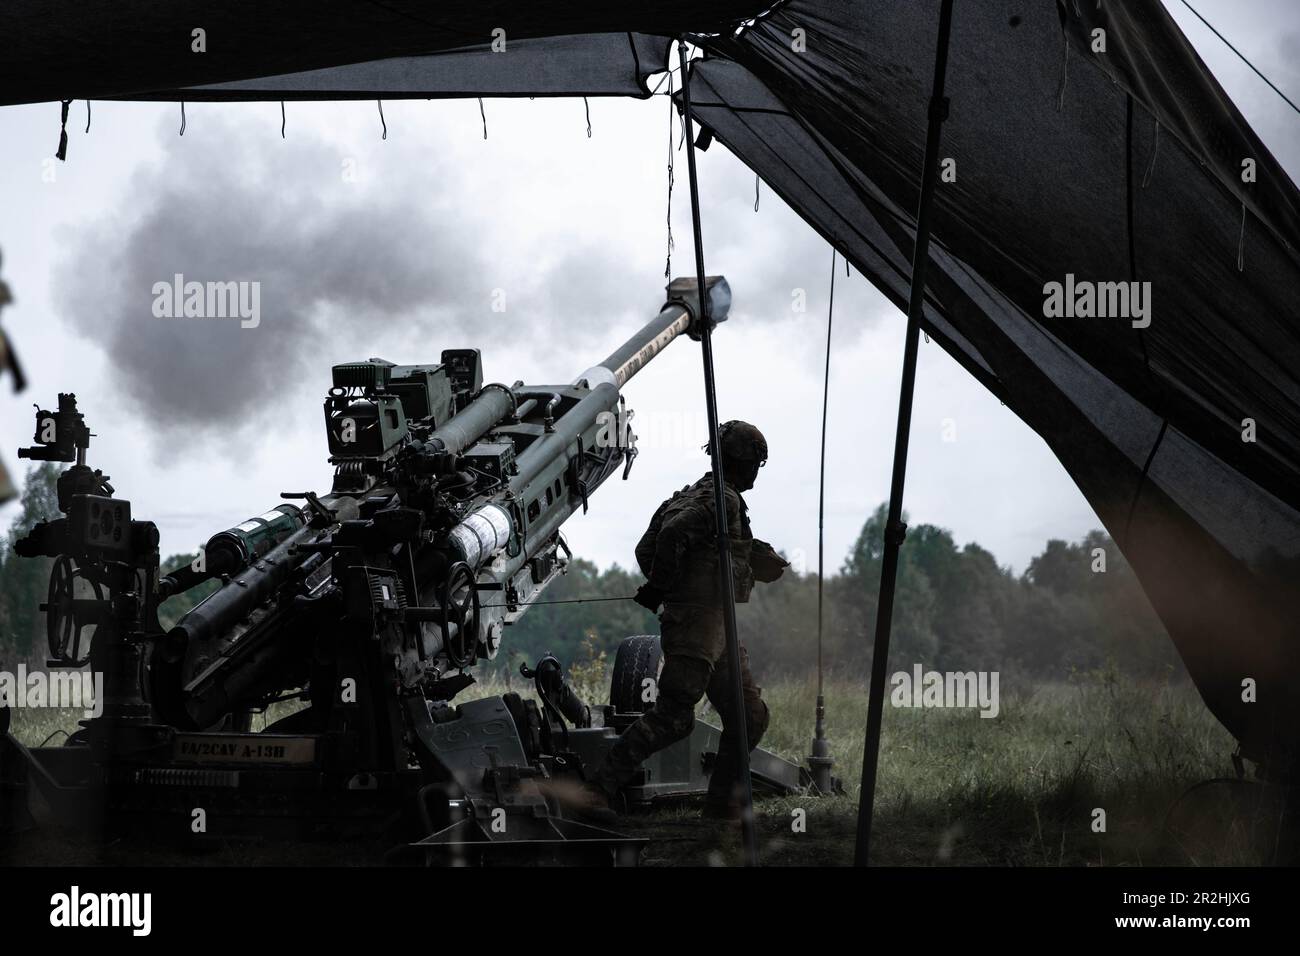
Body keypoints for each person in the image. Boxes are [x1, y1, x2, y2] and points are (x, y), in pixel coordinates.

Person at [577, 420, 789, 822]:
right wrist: (665, 588)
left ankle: (721, 806)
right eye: (756, 465)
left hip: (717, 623)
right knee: (674, 717)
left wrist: (750, 558)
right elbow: (672, 535)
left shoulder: (689, 497)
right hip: (697, 623)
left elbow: (649, 546)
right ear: (743, 462)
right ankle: (596, 791)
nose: (756, 475)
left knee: (749, 714)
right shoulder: (721, 500)